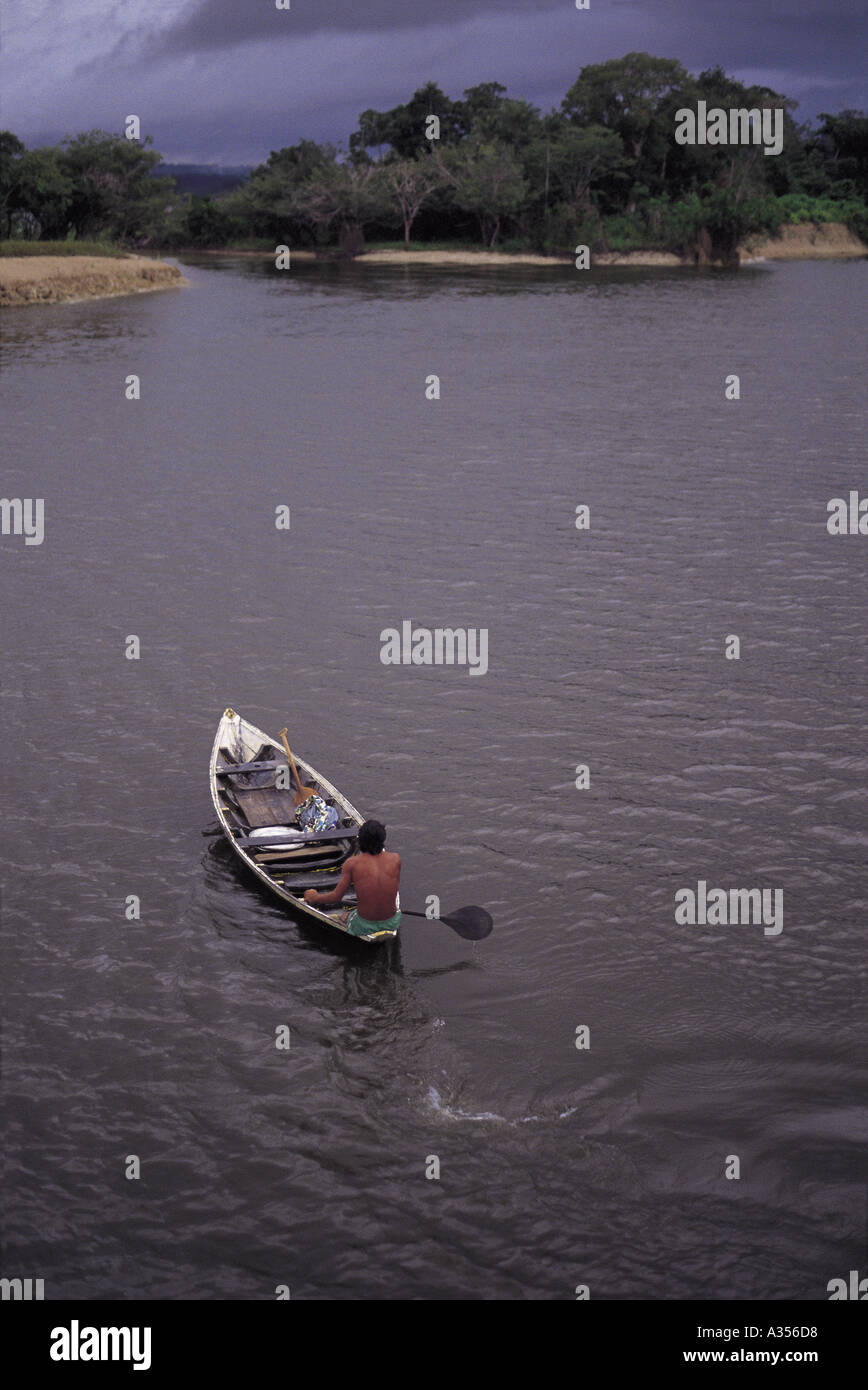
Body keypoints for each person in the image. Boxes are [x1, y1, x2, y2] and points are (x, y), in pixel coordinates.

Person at [304, 819, 401, 937]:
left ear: (360, 840)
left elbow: (336, 897)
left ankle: (353, 918)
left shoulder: (352, 864)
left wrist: (315, 898)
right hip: (392, 922)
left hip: (363, 926)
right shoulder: (396, 859)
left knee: (346, 917)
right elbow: (383, 890)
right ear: (382, 839)